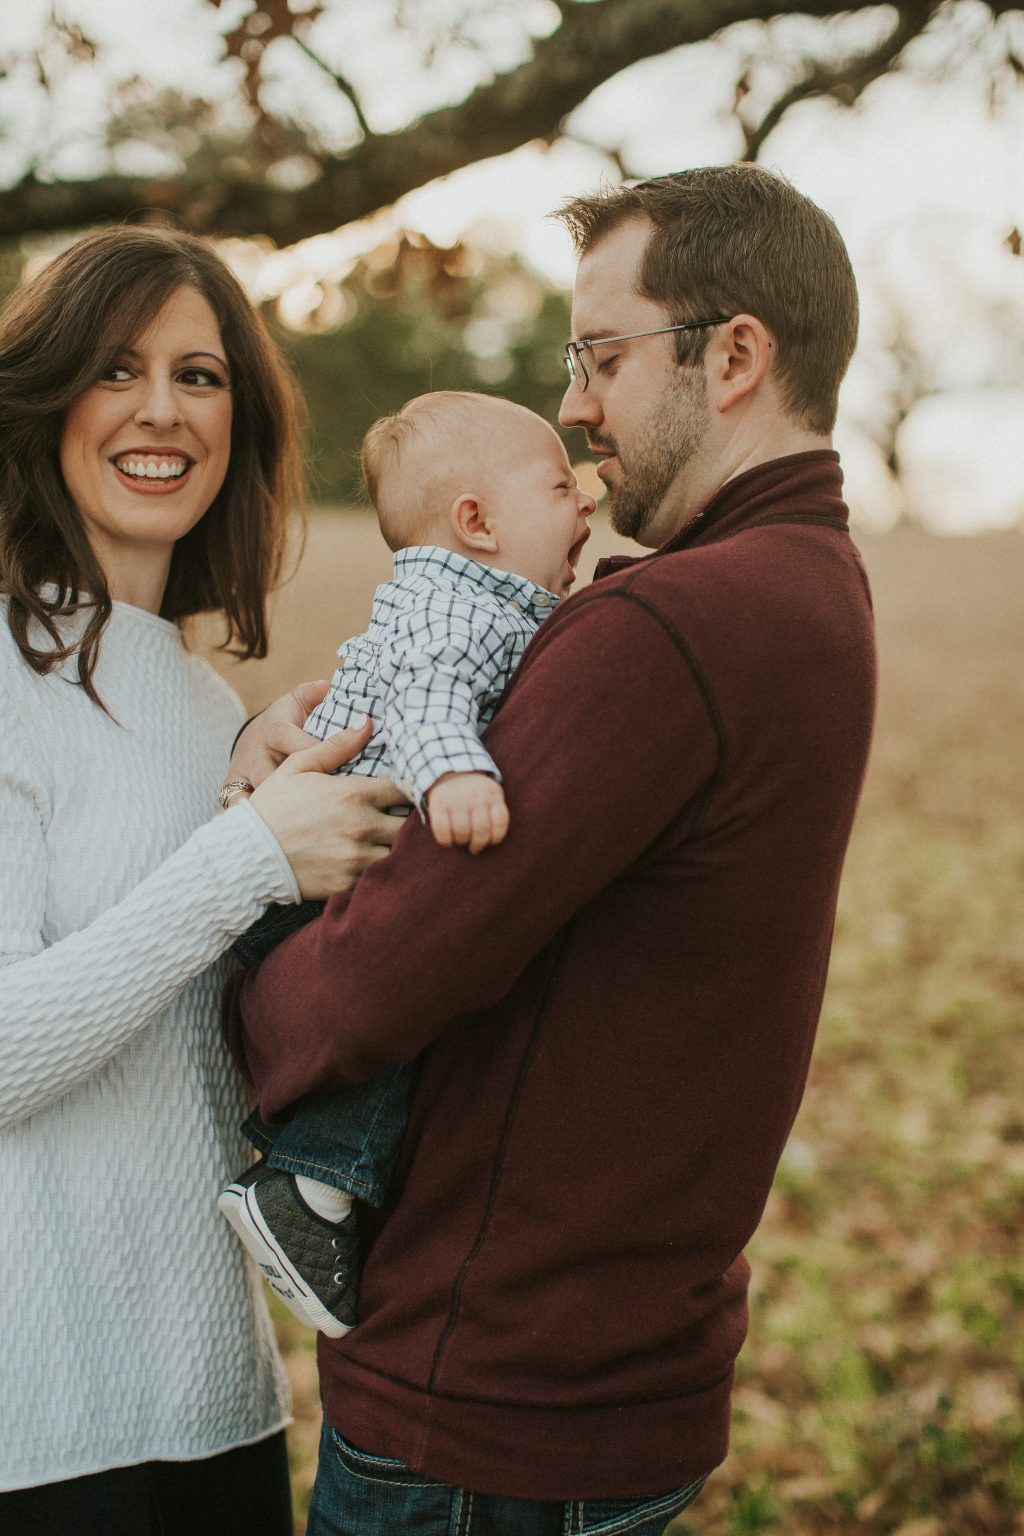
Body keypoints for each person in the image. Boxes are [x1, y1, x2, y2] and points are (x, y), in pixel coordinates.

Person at [225, 164, 878, 1535]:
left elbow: (383, 972)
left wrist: (234, 982)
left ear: (739, 355)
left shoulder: (668, 630)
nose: (574, 404)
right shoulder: (811, 585)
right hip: (617, 1380)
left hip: (492, 1416)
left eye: (601, 355)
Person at [0, 225, 405, 1536]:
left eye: (202, 373)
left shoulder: (202, 702)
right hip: (41, 1438)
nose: (163, 409)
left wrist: (276, 835)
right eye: (116, 371)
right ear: (45, 396)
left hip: (224, 1409)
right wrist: (246, 859)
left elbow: (204, 1062)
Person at [218, 390, 595, 1339]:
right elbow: (429, 696)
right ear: (478, 522)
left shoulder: (488, 593)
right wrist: (457, 776)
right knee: (404, 1011)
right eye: (559, 486)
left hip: (325, 868)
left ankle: (314, 1183)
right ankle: (308, 1192)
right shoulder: (451, 606)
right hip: (321, 875)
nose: (585, 500)